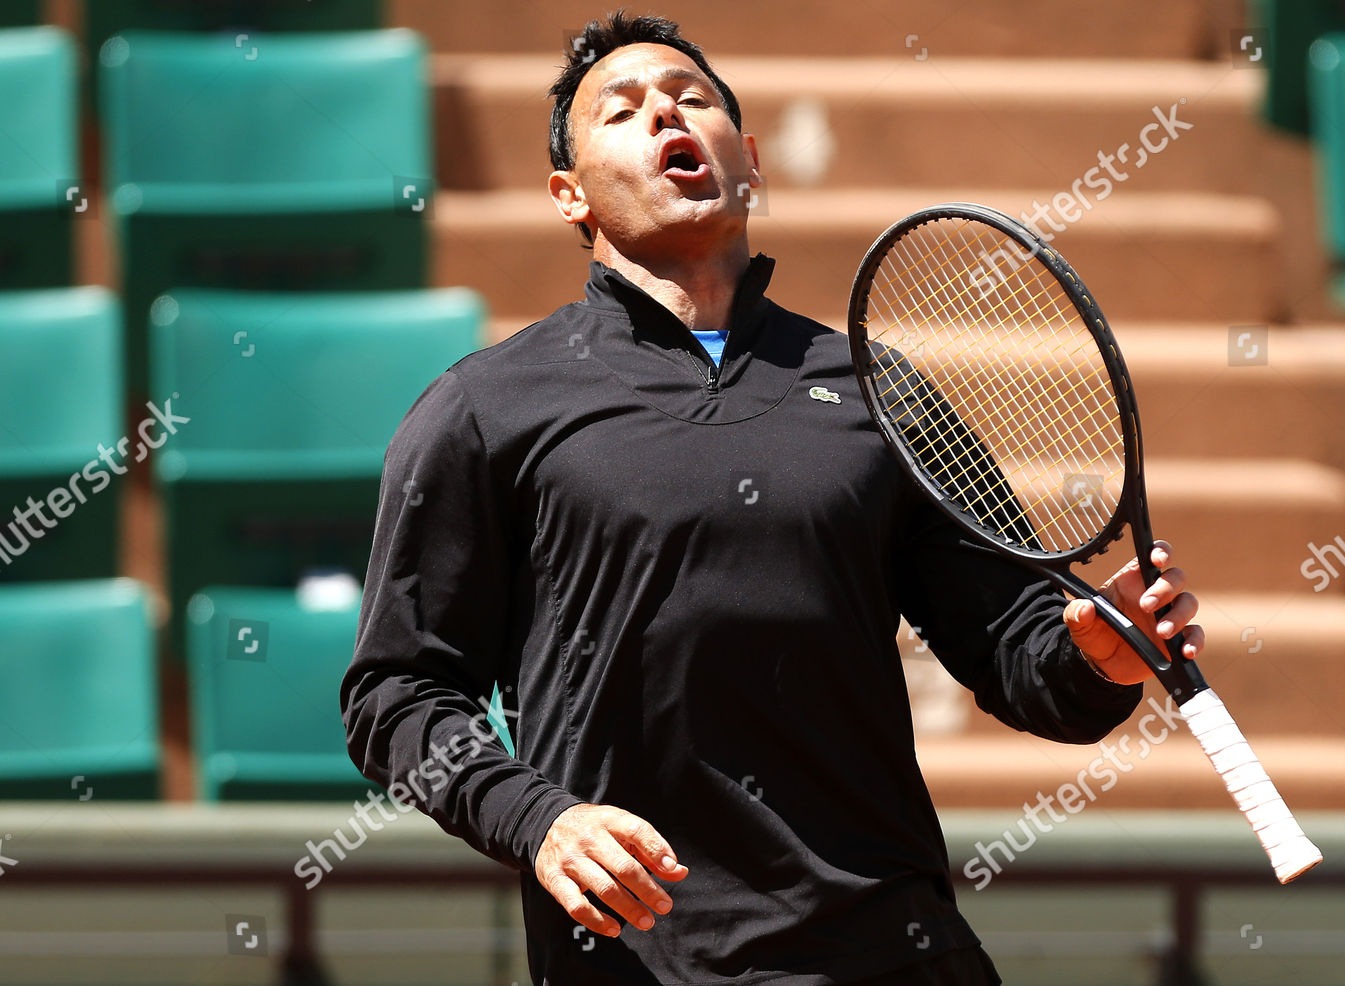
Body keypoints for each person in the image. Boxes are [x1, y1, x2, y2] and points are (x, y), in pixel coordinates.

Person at [341, 11, 1204, 985]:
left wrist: (1097, 654)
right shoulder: (485, 407)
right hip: (642, 965)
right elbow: (394, 694)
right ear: (568, 194)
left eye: (693, 98)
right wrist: (539, 820)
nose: (666, 114)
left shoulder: (883, 392)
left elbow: (1021, 651)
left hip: (895, 956)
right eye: (622, 111)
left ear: (748, 161)